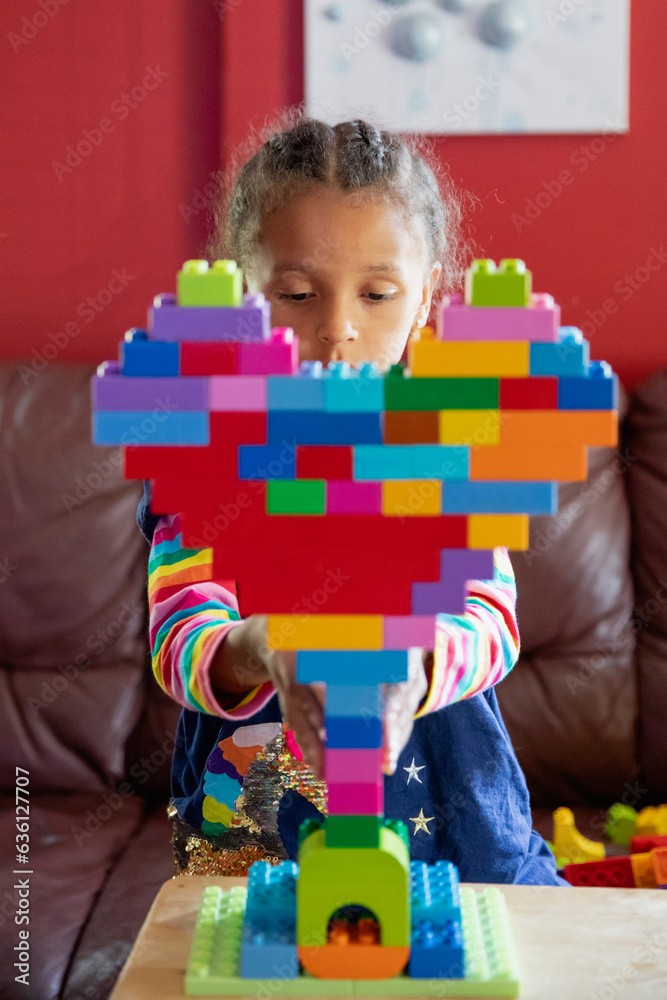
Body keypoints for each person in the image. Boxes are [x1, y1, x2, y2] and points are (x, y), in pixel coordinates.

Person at [136, 113, 565, 885]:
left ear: (426, 294)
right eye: (296, 293)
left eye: (376, 294)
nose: (337, 329)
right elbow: (180, 639)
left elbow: (490, 624)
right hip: (258, 859)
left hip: (459, 852)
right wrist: (267, 643)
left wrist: (416, 660)